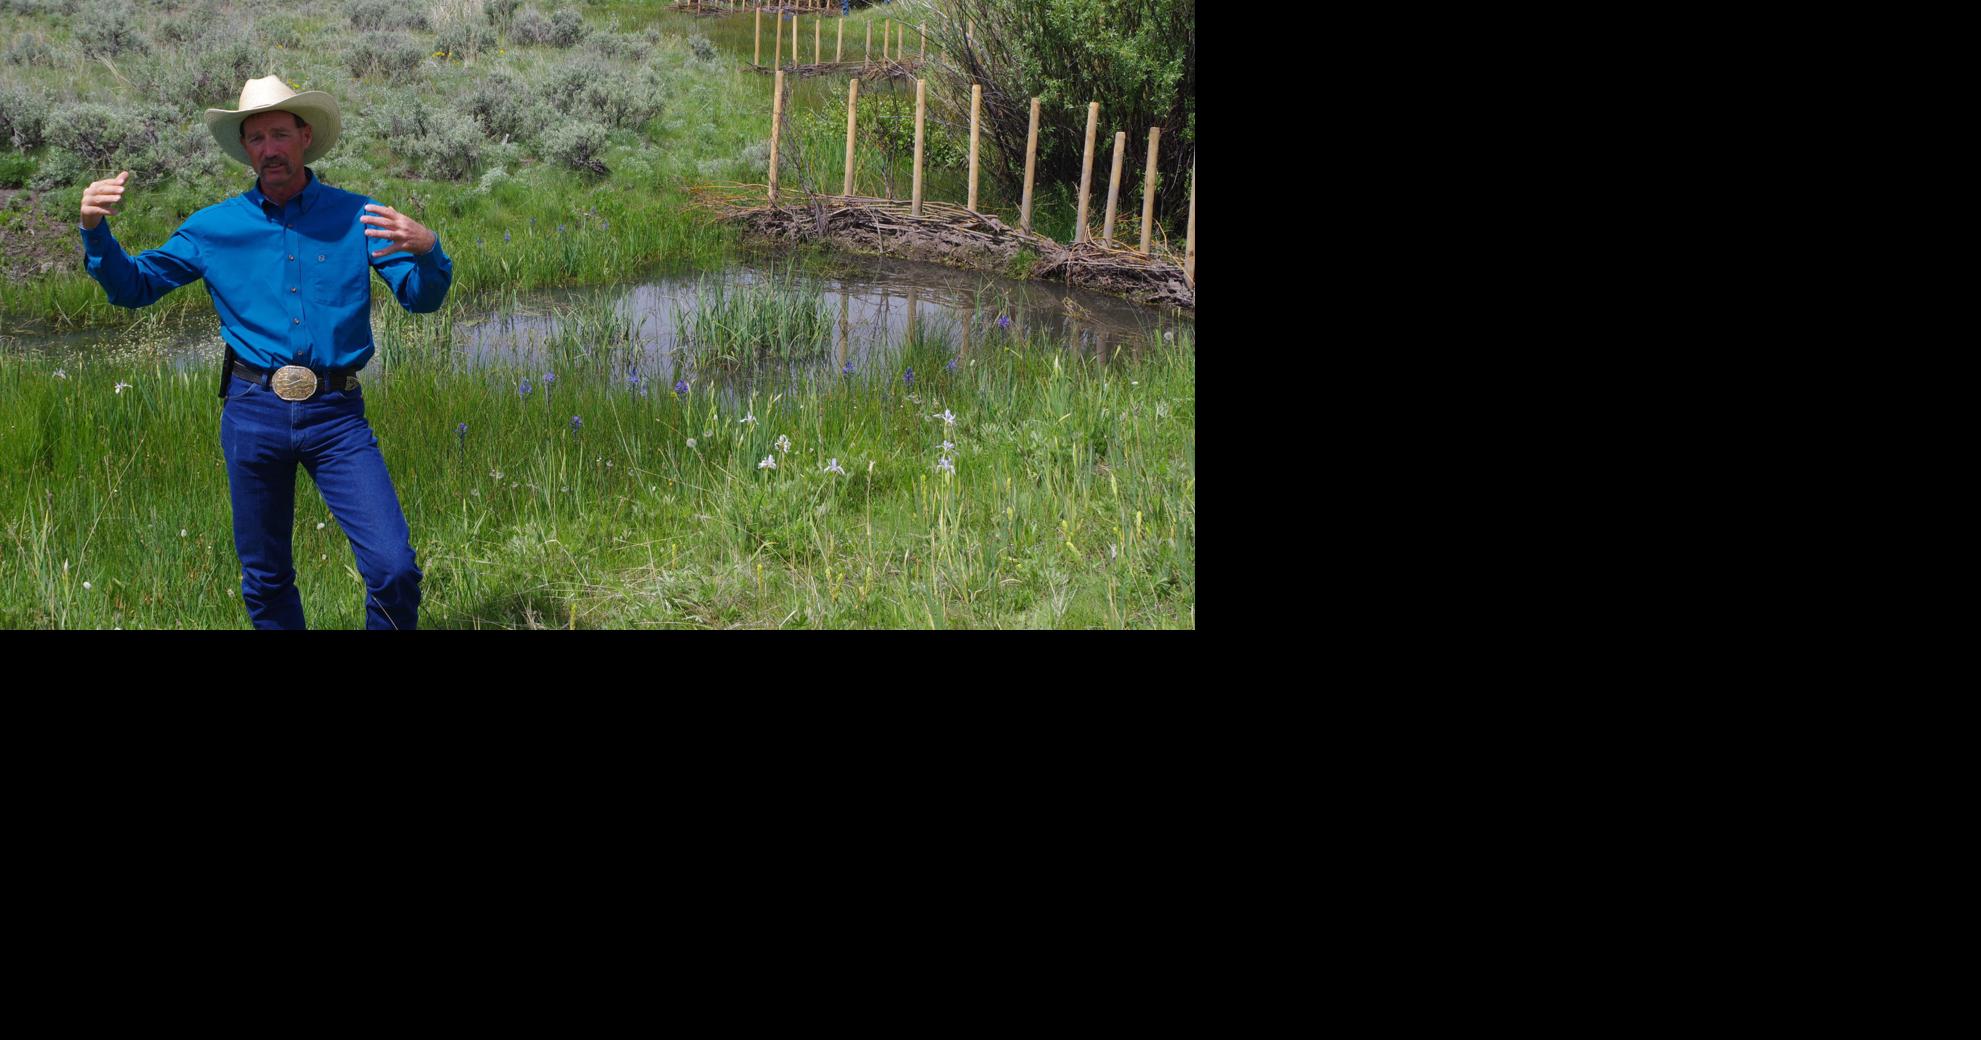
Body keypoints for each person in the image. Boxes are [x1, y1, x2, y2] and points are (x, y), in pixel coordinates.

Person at [78, 76, 451, 630]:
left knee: (394, 567)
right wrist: (94, 232)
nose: (269, 148)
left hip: (337, 417)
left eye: (280, 134)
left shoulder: (360, 217)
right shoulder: (212, 228)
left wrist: (429, 252)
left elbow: (421, 300)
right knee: (266, 577)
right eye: (256, 138)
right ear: (246, 149)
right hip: (253, 412)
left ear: (305, 137)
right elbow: (133, 288)